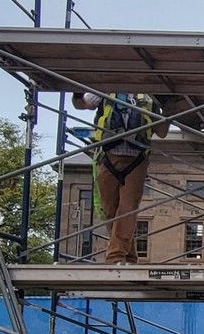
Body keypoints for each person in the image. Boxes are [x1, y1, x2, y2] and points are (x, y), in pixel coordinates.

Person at [71, 91, 171, 264]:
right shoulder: (106, 91)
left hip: (137, 158)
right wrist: (76, 92)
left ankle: (115, 256)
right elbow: (83, 104)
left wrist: (170, 110)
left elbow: (162, 132)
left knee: (128, 208)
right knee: (110, 210)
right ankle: (129, 256)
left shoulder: (150, 97)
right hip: (108, 155)